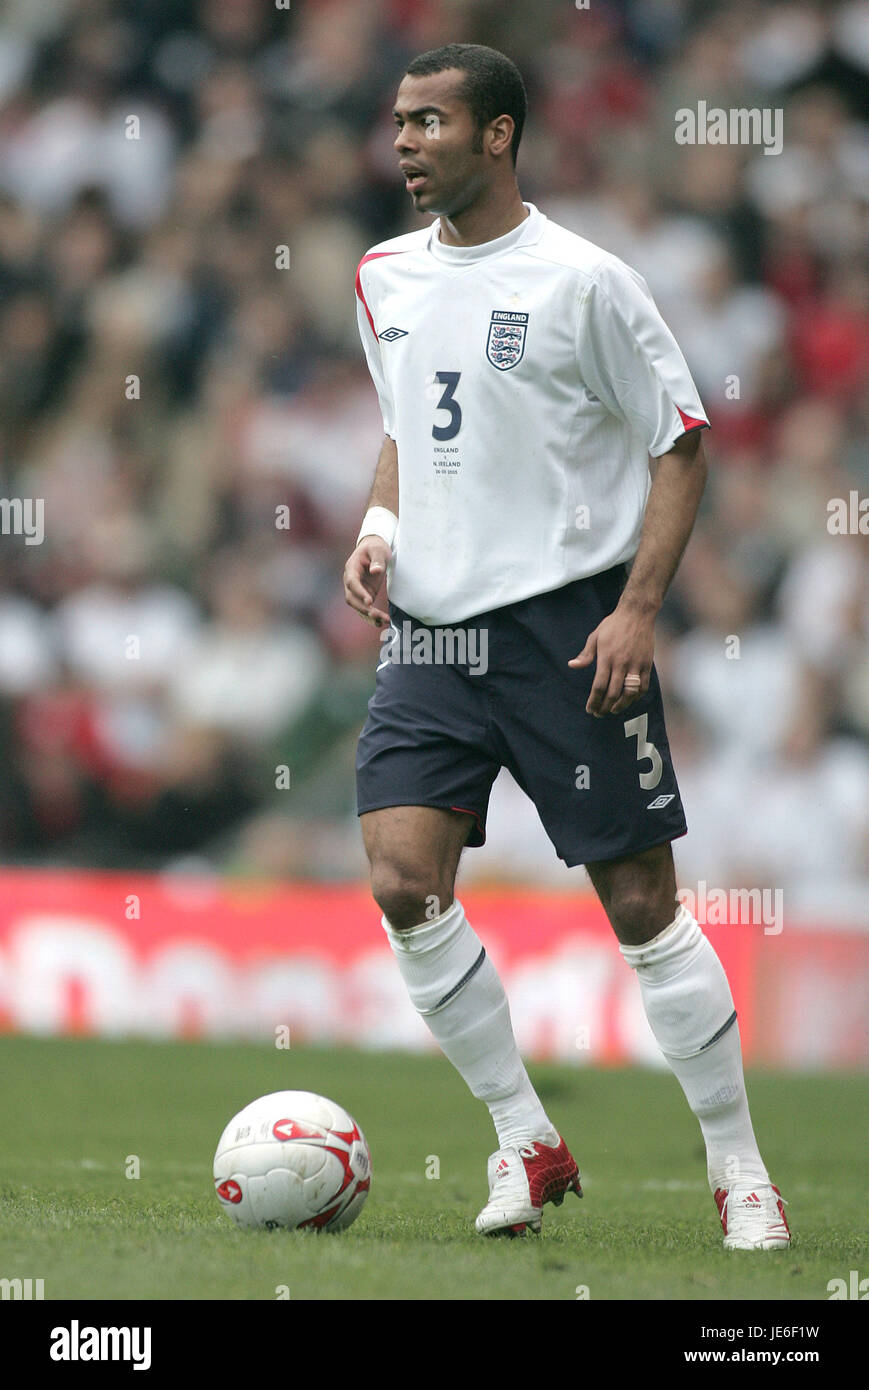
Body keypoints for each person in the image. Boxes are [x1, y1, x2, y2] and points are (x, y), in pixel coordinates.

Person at [343, 43, 789, 1250]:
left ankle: (739, 1171)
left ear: (497, 136)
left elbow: (679, 440)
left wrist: (637, 608)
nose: (405, 143)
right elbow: (403, 425)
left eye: (430, 122)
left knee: (640, 906)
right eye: (398, 122)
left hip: (561, 627)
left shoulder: (584, 281)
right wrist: (381, 527)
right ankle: (524, 1136)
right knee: (399, 879)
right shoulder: (381, 275)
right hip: (428, 637)